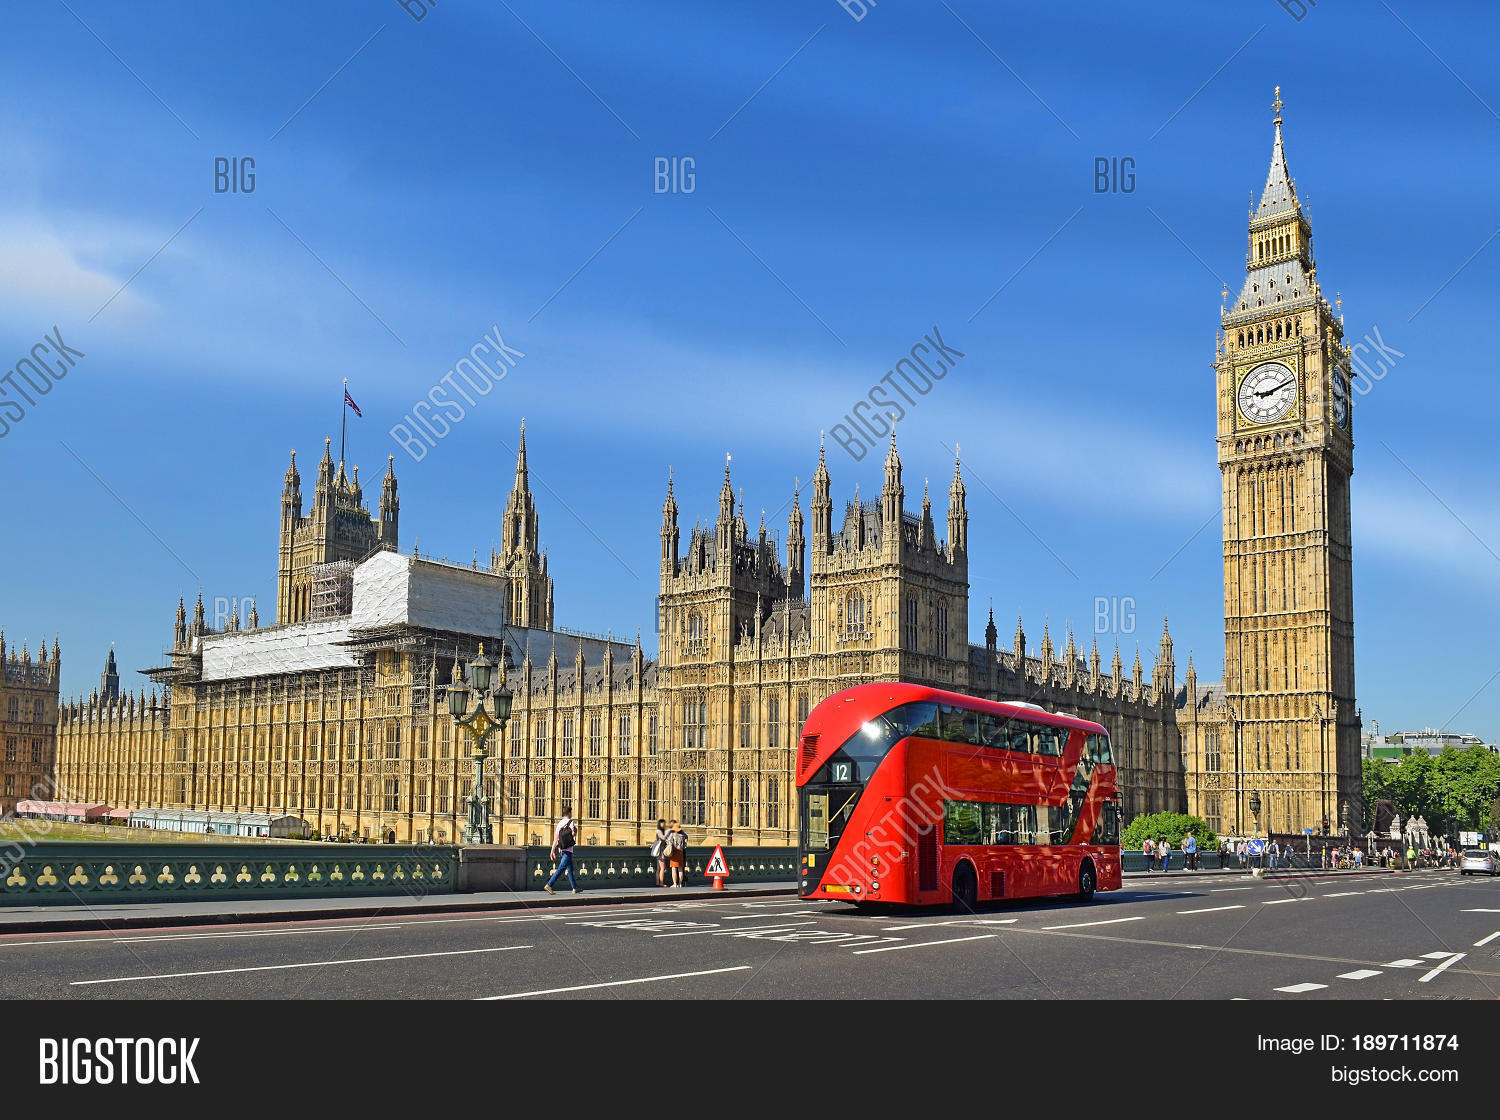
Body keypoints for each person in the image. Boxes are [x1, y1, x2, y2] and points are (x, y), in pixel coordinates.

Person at [544, 804, 580, 894]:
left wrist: (552, 851)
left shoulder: (559, 823)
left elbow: (556, 839)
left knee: (570, 869)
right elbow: (573, 834)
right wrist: (575, 831)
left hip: (562, 848)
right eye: (571, 812)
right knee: (561, 868)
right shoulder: (571, 822)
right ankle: (549, 884)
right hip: (569, 849)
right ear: (569, 813)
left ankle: (575, 888)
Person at [666, 821, 688, 887]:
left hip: (674, 852)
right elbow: (685, 845)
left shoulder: (672, 835)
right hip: (680, 852)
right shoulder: (683, 835)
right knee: (680, 869)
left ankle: (675, 883)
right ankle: (680, 884)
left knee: (674, 869)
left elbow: (668, 842)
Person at [650, 818, 670, 887]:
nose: (664, 824)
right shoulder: (659, 831)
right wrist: (668, 831)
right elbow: (663, 838)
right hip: (661, 852)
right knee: (662, 868)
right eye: (662, 823)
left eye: (664, 823)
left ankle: (658, 883)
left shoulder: (659, 831)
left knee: (659, 868)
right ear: (659, 824)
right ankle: (661, 883)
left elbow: (658, 840)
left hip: (660, 852)